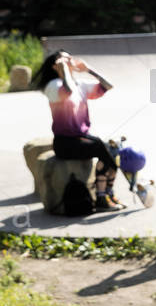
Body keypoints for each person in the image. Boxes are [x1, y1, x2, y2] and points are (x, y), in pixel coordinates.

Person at [32, 50, 124, 212]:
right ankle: (102, 197)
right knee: (101, 148)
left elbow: (107, 86)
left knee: (112, 149)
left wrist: (88, 70)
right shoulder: (53, 86)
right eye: (65, 59)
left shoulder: (79, 84)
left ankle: (107, 193)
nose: (70, 60)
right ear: (55, 66)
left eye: (70, 57)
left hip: (82, 138)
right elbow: (67, 92)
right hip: (66, 143)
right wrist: (64, 71)